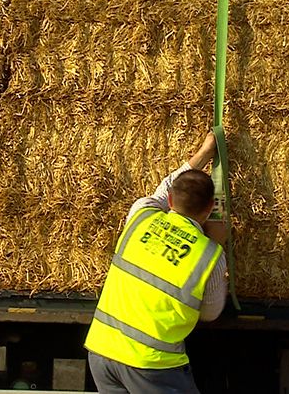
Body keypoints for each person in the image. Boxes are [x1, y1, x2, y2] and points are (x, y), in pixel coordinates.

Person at [85, 132, 229, 393]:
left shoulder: (141, 214)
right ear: (210, 209)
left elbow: (165, 187)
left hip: (101, 351)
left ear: (171, 201)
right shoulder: (209, 255)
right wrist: (216, 242)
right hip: (151, 364)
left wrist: (203, 153)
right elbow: (210, 313)